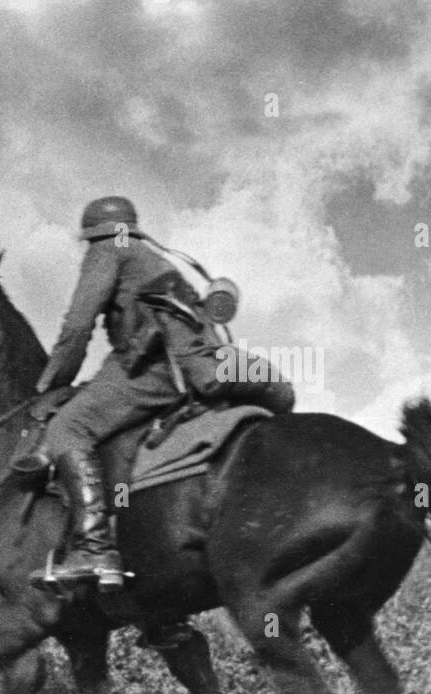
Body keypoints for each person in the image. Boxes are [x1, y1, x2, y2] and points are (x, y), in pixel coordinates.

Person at [18, 196, 274, 590]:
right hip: (182, 368)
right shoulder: (155, 259)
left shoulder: (108, 250)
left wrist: (49, 385)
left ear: (93, 234)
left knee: (69, 427)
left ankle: (93, 548)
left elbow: (77, 327)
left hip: (150, 370)